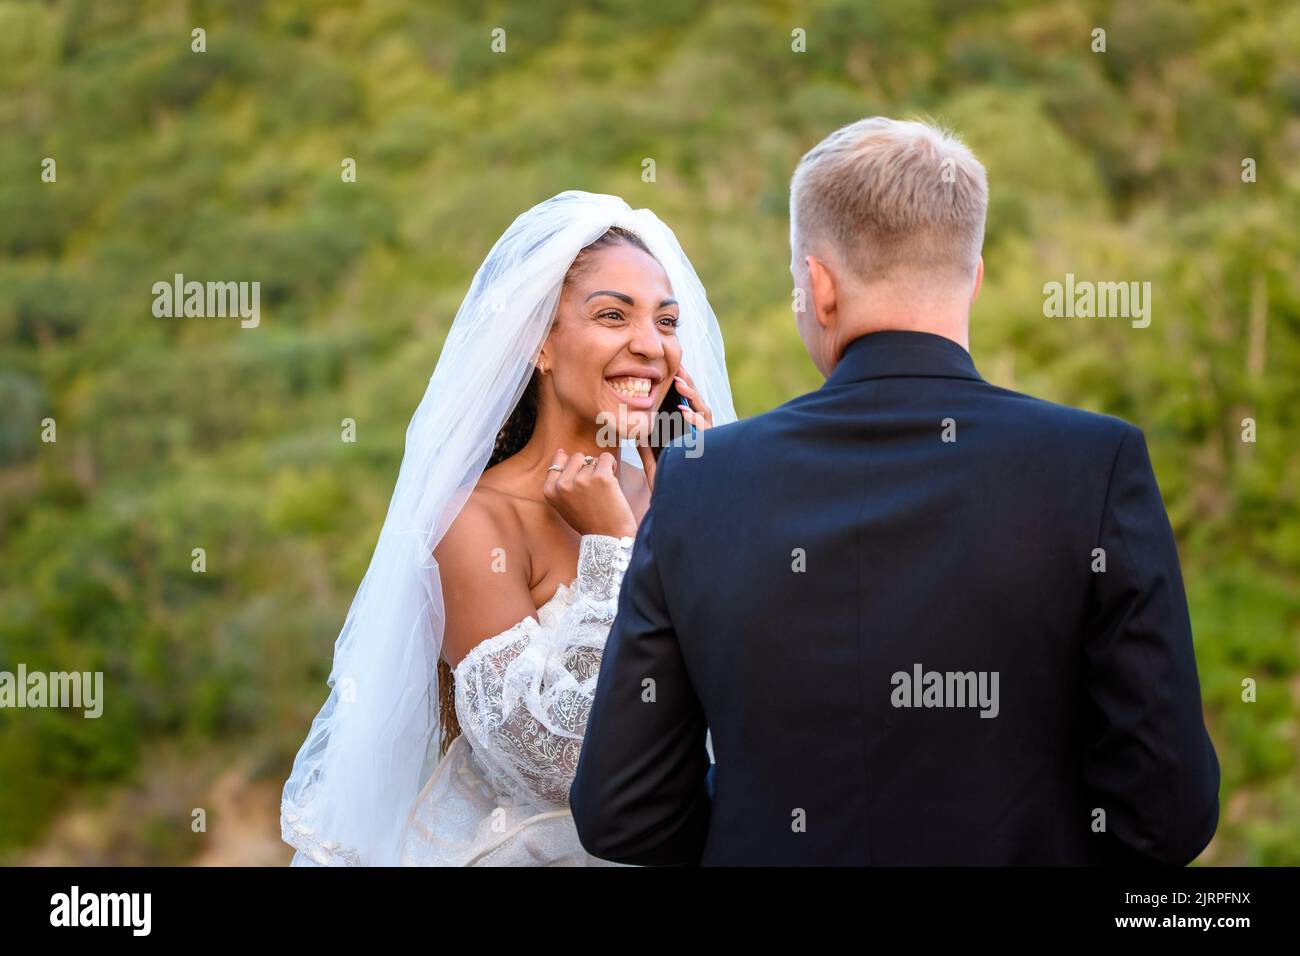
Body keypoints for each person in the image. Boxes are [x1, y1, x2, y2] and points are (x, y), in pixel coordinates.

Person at [570, 118, 1220, 866]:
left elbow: (622, 812)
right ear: (973, 278)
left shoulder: (697, 479)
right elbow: (1168, 814)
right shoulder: (1097, 463)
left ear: (818, 286)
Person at [280, 191, 735, 866]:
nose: (650, 345)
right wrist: (614, 550)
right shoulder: (472, 521)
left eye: (666, 322)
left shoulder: (678, 497)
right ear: (540, 344)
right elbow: (559, 762)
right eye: (613, 315)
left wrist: (694, 503)